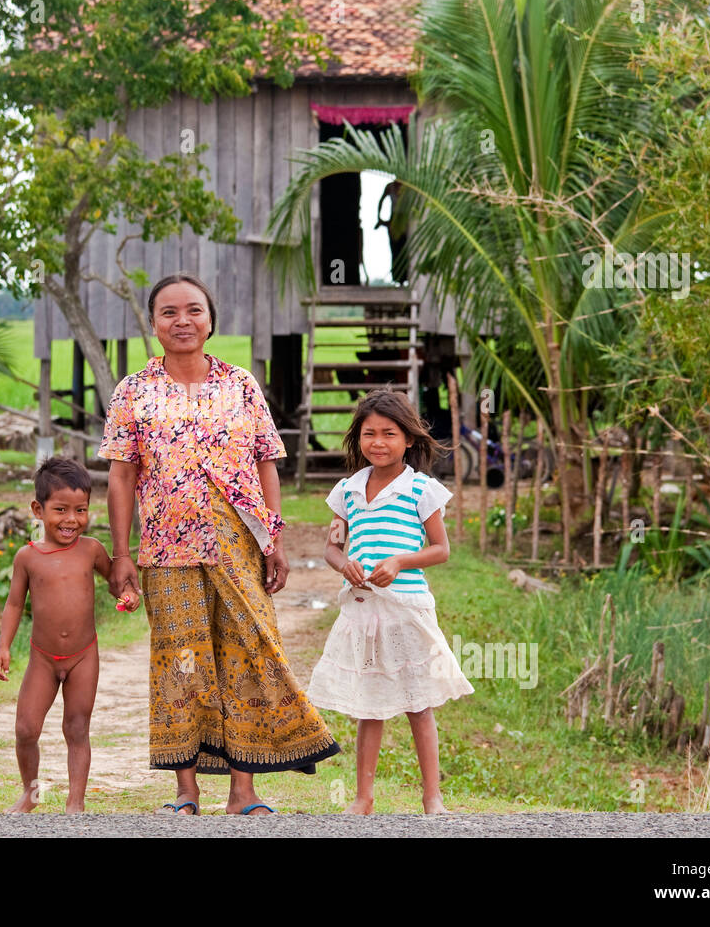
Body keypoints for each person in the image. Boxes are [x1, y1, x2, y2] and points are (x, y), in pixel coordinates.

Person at [101, 273, 340, 817]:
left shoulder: (241, 385)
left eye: (193, 311)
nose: (181, 322)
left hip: (239, 546)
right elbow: (120, 476)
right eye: (168, 313)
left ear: (211, 319)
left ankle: (244, 792)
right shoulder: (133, 392)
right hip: (166, 550)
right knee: (181, 662)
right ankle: (186, 791)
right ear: (153, 322)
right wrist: (122, 553)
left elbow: (265, 462)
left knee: (247, 654)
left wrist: (273, 541)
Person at [306, 389, 474, 814]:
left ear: (409, 440)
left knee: (420, 703)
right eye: (369, 434)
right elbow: (332, 548)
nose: (378, 443)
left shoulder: (421, 489)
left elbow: (441, 549)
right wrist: (342, 563)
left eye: (389, 434)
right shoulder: (347, 490)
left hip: (407, 610)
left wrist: (399, 561)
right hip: (363, 612)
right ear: (357, 439)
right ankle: (363, 799)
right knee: (370, 706)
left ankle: (432, 797)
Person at [0, 456, 140, 814]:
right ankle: (31, 793)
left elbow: (113, 582)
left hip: (83, 656)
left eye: (80, 510)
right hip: (42, 657)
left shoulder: (91, 550)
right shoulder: (27, 558)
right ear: (38, 510)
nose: (71, 520)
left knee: (77, 727)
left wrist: (127, 595)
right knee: (25, 728)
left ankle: (76, 801)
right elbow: (14, 606)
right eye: (60, 510)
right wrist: (4, 648)